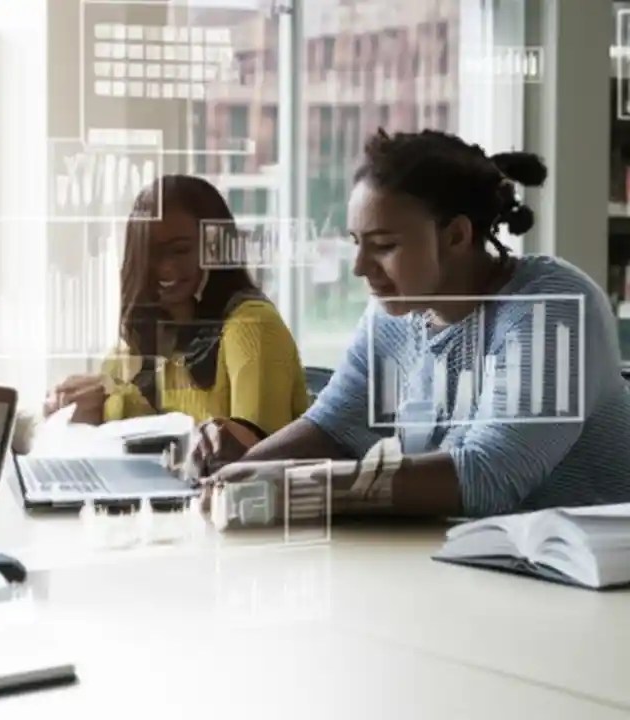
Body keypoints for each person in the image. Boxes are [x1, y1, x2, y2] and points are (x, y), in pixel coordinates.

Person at [200, 129, 630, 518]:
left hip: (583, 581)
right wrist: (235, 475)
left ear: (456, 236)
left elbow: (488, 477)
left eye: (384, 245)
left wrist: (294, 486)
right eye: (357, 244)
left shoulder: (551, 306)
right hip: (469, 564)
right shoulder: (396, 313)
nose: (360, 268)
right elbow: (333, 428)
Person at [44, 174, 309, 452]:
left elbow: (261, 455)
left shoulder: (251, 326)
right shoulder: (130, 352)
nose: (166, 269)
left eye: (181, 251)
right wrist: (80, 412)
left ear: (215, 248)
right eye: (152, 253)